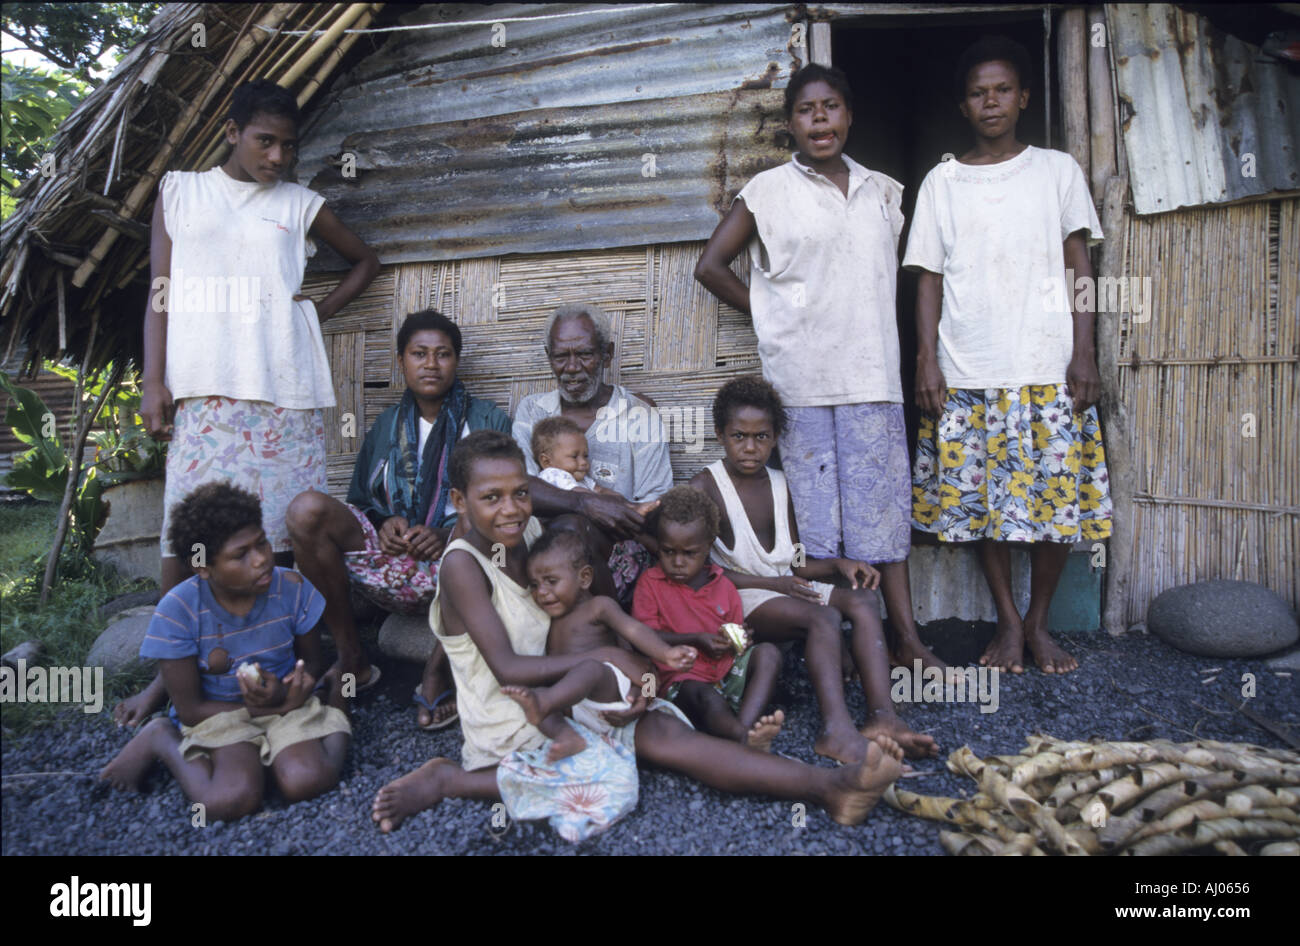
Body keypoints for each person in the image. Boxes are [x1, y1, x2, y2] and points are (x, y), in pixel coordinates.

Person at [371, 431, 903, 840]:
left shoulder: (527, 533)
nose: (510, 509)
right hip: (519, 713)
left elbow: (565, 504)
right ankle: (449, 779)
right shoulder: (464, 566)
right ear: (460, 503)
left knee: (672, 738)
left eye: (518, 493)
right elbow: (509, 668)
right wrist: (614, 662)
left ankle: (829, 786)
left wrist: (627, 683)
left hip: (577, 695)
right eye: (491, 498)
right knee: (589, 778)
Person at [114, 78, 380, 725]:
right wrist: (155, 381)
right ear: (232, 132)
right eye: (265, 142)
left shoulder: (299, 203)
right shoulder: (181, 193)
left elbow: (364, 261)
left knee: (285, 535)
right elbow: (161, 291)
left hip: (284, 390)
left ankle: (318, 662)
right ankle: (170, 679)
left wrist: (314, 313)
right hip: (206, 391)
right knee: (186, 539)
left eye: (288, 146)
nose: (277, 158)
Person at [694, 63, 945, 676]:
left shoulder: (885, 193)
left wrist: (921, 358)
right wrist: (773, 313)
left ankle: (904, 639)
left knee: (883, 522)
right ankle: (840, 644)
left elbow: (905, 280)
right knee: (817, 527)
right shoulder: (768, 190)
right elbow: (710, 265)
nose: (820, 120)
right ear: (791, 124)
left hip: (872, 377)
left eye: (830, 107)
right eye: (806, 111)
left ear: (849, 114)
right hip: (800, 385)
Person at [904, 36, 1112, 675]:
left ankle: (1040, 625)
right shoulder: (943, 180)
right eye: (977, 93)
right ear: (963, 106)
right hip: (970, 368)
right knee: (984, 507)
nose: (990, 101)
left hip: (1046, 366)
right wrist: (927, 360)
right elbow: (928, 277)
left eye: (1001, 90)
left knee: (1053, 507)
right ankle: (1009, 625)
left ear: (1022, 98)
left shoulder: (1057, 170)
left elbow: (1079, 262)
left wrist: (1084, 352)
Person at [284, 310, 511, 730]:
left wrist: (447, 534)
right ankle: (353, 658)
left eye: (443, 354)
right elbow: (360, 502)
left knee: (487, 520)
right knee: (306, 510)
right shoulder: (386, 425)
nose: (430, 364)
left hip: (457, 566)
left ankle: (438, 669)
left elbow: (506, 502)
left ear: (456, 361)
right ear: (401, 361)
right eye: (418, 353)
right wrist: (385, 522)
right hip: (390, 560)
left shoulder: (487, 420)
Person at [691, 377, 938, 759]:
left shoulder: (779, 484)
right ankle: (836, 730)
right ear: (720, 435)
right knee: (821, 619)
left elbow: (794, 561)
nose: (751, 447)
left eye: (762, 437)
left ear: (775, 438)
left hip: (781, 587)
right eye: (739, 436)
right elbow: (702, 573)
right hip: (733, 599)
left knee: (863, 600)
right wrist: (778, 584)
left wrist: (839, 564)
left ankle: (883, 716)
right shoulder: (706, 486)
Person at [99, 483, 351, 820]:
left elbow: (312, 661)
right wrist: (271, 707)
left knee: (308, 780)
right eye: (240, 554)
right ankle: (160, 737)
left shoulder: (291, 588)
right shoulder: (179, 612)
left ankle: (339, 704)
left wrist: (290, 690)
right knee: (229, 799)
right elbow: (190, 709)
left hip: (287, 704)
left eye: (261, 542)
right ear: (203, 566)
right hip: (219, 713)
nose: (261, 559)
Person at [512, 304, 670, 602]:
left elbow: (655, 503)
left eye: (584, 354)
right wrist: (586, 503)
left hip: (616, 555)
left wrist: (609, 516)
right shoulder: (532, 410)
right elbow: (519, 488)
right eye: (561, 356)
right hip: (541, 555)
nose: (572, 368)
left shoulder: (639, 415)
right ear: (549, 357)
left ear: (606, 354)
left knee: (570, 529)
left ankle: (605, 625)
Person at [501, 529, 698, 764]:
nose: (541, 592)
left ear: (584, 578)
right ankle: (567, 736)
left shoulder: (598, 607)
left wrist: (665, 654)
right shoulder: (545, 620)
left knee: (589, 669)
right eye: (534, 584)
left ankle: (544, 705)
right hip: (580, 709)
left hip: (608, 691)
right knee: (538, 690)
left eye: (551, 581)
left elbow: (635, 634)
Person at [631, 486, 787, 752]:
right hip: (682, 680)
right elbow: (642, 637)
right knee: (701, 693)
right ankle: (742, 738)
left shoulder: (722, 585)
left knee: (769, 654)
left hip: (725, 672)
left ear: (707, 548)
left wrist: (739, 641)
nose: (678, 562)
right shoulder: (651, 583)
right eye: (669, 552)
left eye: (689, 553)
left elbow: (737, 638)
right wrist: (695, 639)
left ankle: (746, 729)